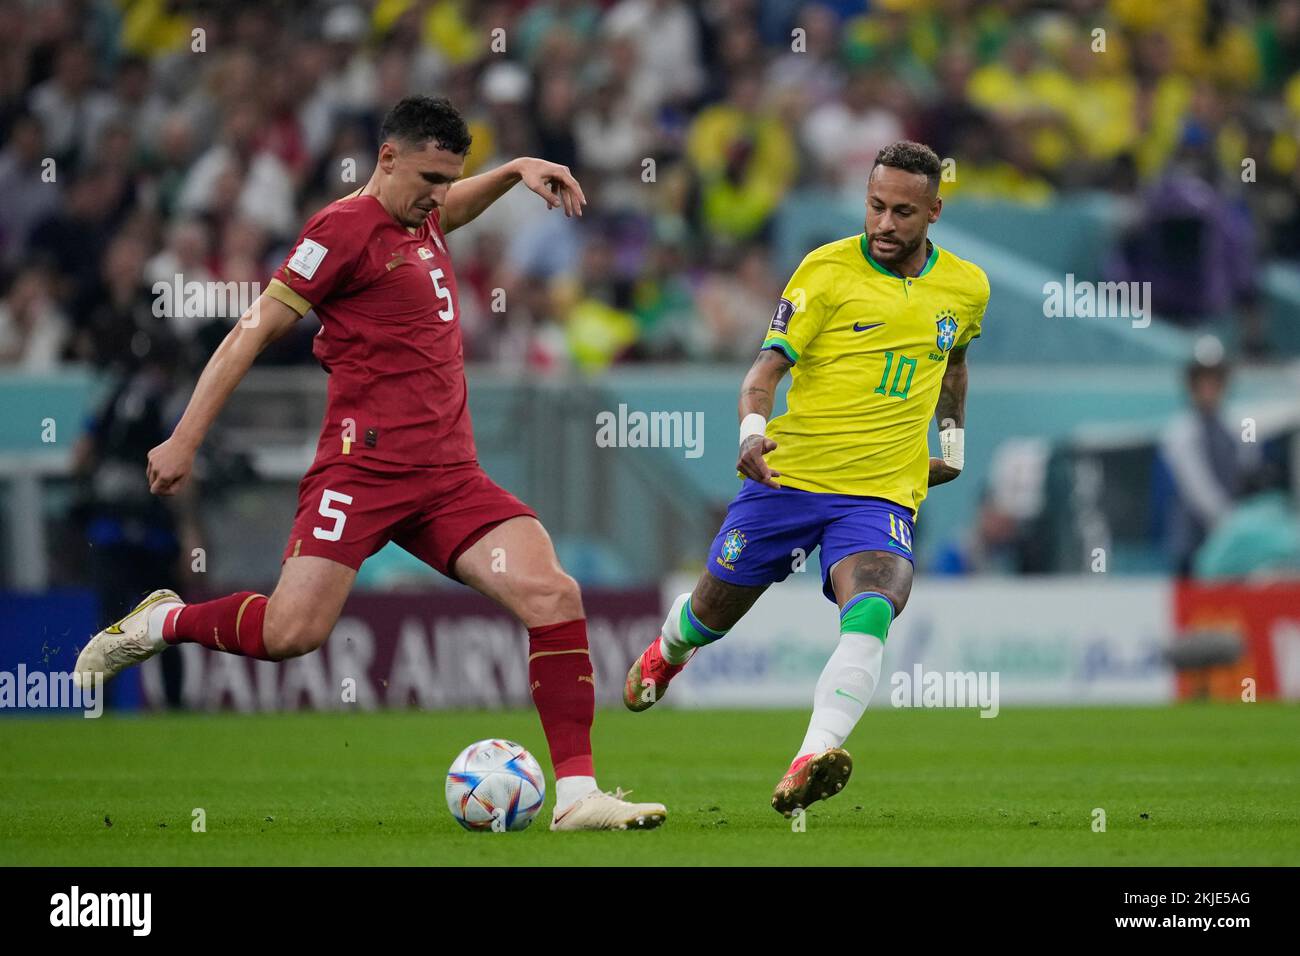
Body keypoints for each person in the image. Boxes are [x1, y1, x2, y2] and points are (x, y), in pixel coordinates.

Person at [74, 95, 665, 832]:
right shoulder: (341, 231)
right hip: (362, 473)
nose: (439, 196)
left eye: (449, 180)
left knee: (552, 595)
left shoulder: (426, 213)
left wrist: (514, 170)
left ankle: (577, 796)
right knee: (292, 633)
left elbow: (455, 206)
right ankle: (163, 621)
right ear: (386, 158)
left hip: (449, 477)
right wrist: (184, 437)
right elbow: (252, 330)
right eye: (429, 179)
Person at [623, 141, 990, 815]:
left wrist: (954, 445)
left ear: (934, 211)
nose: (884, 224)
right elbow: (764, 371)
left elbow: (956, 364)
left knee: (875, 607)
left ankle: (811, 757)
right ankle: (669, 651)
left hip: (880, 493)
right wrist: (750, 434)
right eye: (875, 206)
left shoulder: (967, 288)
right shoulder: (824, 271)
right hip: (787, 480)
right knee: (710, 615)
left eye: (903, 212)